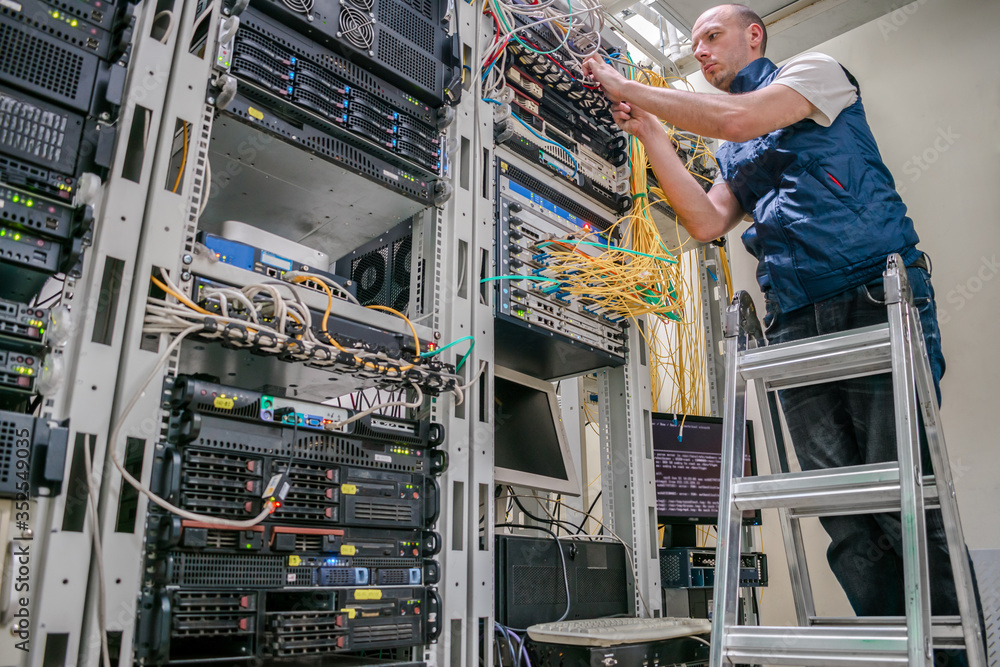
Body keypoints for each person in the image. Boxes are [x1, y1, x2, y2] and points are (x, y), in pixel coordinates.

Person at [582, 4, 976, 664]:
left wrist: (626, 87)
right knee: (847, 521)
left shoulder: (813, 72)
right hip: (797, 320)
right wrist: (650, 130)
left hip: (870, 297)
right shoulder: (734, 146)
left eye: (712, 36)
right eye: (695, 42)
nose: (701, 51)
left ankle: (953, 657)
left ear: (753, 34)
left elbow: (738, 116)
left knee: (903, 505)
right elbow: (709, 221)